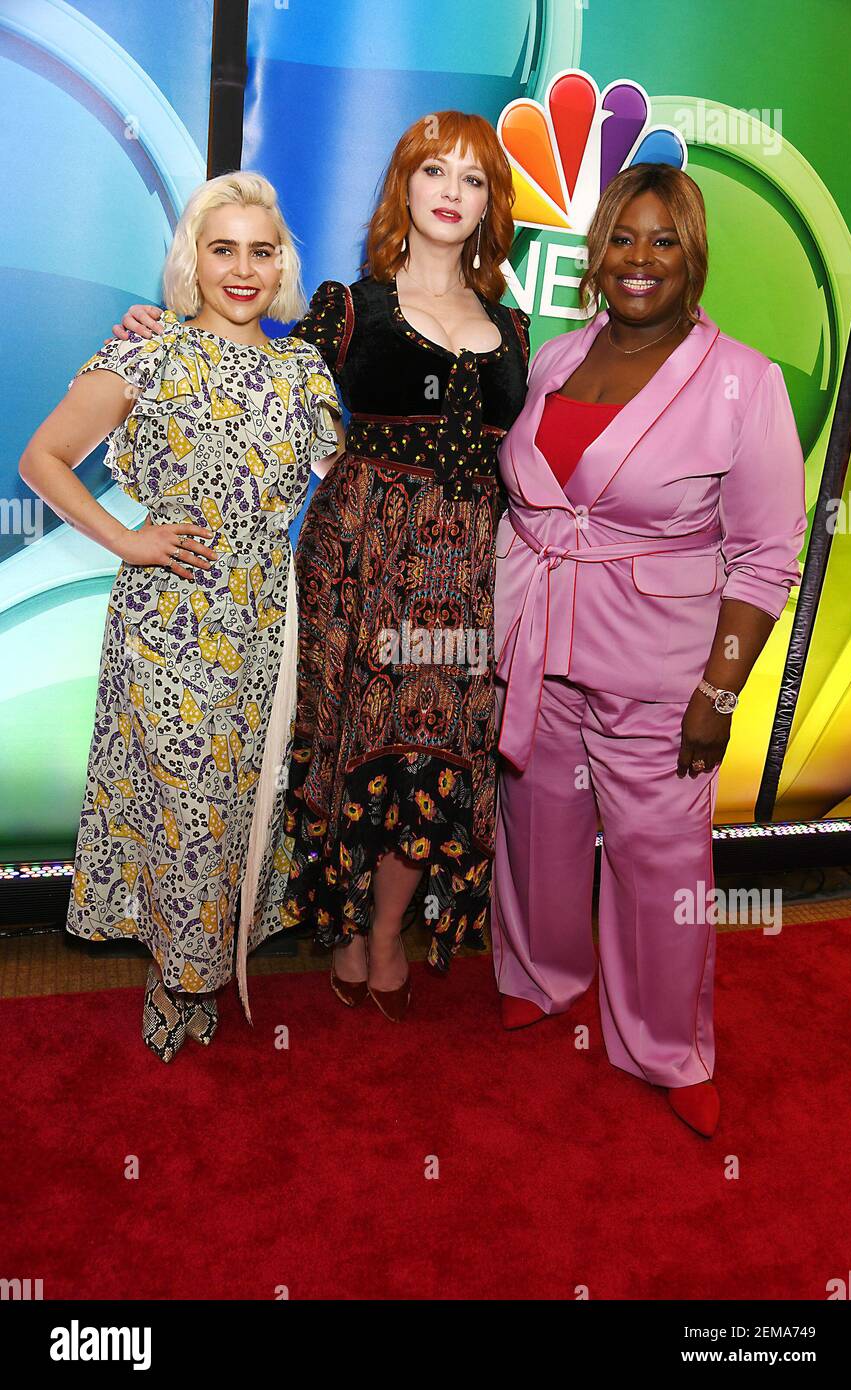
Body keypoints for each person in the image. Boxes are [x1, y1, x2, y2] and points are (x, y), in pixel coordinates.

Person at [113, 111, 531, 1020]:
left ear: (491, 201)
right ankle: (341, 931)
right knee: (351, 753)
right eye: (435, 172)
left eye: (474, 178)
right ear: (404, 189)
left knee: (430, 764)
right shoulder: (348, 306)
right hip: (359, 570)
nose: (452, 192)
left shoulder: (518, 326)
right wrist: (162, 322)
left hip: (465, 579)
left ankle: (387, 936)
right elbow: (246, 370)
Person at [491, 163, 807, 1135]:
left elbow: (764, 555)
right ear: (594, 255)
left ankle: (665, 1044)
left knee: (659, 858)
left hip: (660, 665)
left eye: (661, 240)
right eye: (622, 238)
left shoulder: (741, 382)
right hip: (537, 643)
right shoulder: (553, 355)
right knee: (534, 824)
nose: (638, 259)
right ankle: (542, 974)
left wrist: (718, 692)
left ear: (691, 256)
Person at [19, 172, 343, 1060]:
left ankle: (197, 970)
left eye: (261, 251)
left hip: (264, 629)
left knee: (236, 807)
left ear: (282, 265)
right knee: (183, 809)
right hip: (167, 627)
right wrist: (125, 538)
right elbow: (42, 457)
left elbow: (351, 480)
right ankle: (175, 981)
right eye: (222, 248)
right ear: (191, 260)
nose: (242, 269)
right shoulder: (147, 353)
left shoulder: (301, 369)